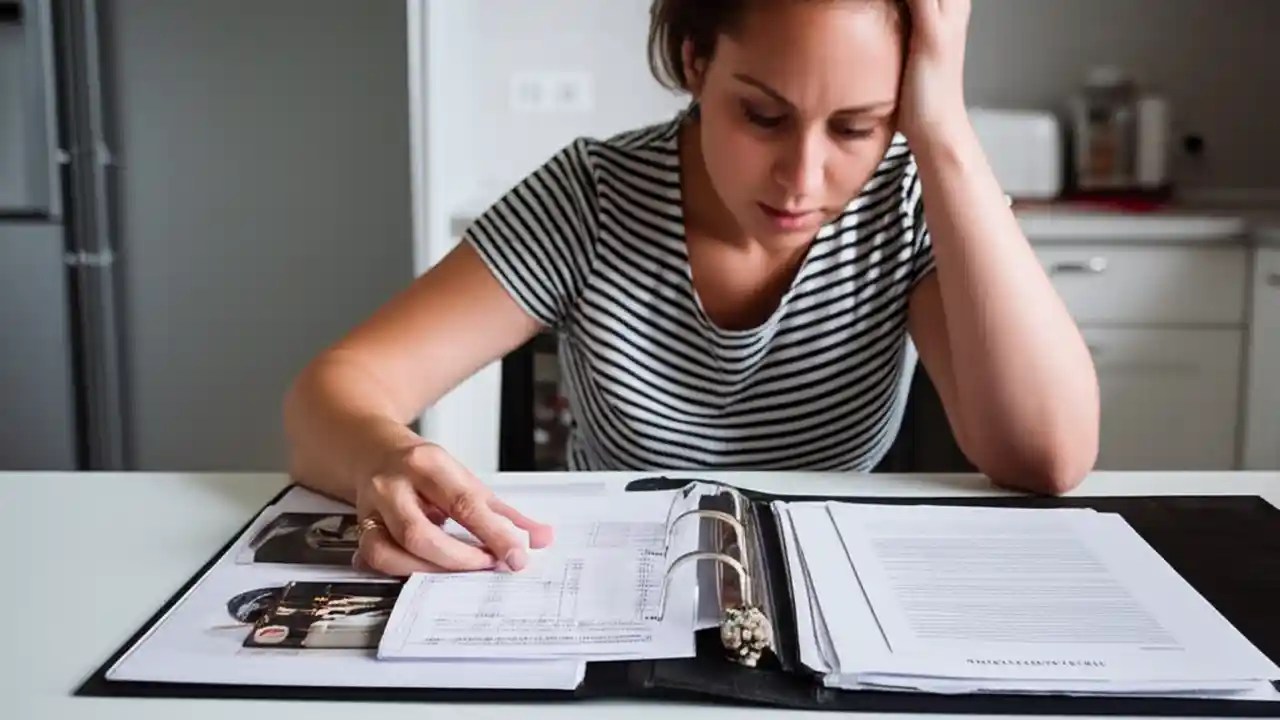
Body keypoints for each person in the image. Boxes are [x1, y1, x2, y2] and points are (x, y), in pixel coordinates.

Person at [282, 0, 1100, 578]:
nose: (802, 180)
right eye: (762, 116)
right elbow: (332, 394)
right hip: (608, 588)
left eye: (856, 127)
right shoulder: (592, 198)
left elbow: (1048, 457)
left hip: (839, 588)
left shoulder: (907, 198)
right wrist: (391, 458)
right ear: (695, 61)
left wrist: (944, 132)